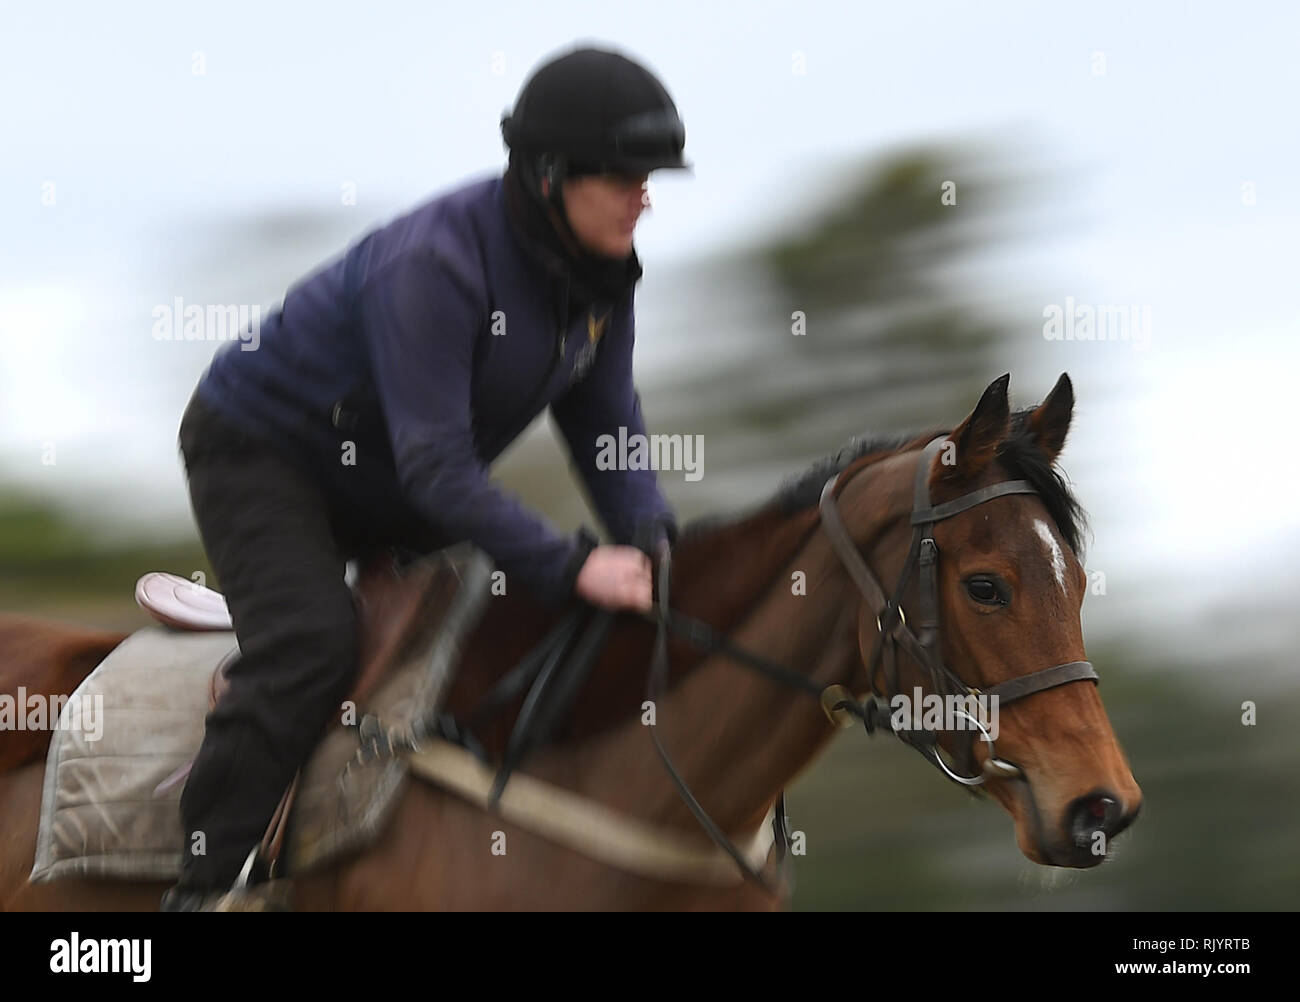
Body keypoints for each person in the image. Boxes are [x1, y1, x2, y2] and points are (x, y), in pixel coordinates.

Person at [161, 43, 690, 910]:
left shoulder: (602, 281)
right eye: (627, 174)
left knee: (530, 619)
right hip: (261, 452)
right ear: (551, 175)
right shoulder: (435, 265)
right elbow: (439, 470)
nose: (646, 195)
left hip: (392, 478)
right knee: (311, 642)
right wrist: (570, 560)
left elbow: (607, 429)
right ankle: (204, 888)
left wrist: (651, 541)